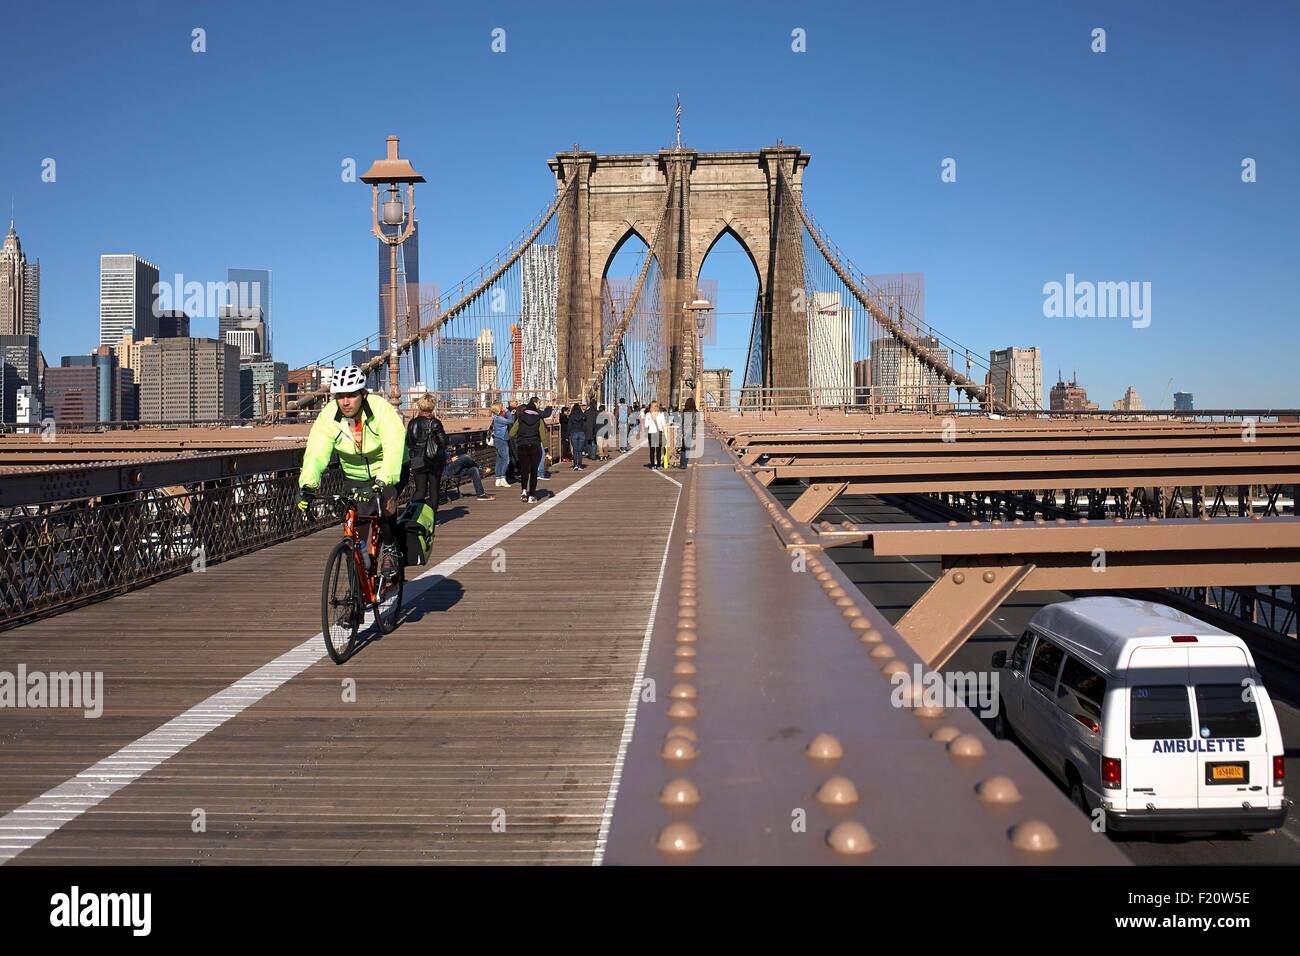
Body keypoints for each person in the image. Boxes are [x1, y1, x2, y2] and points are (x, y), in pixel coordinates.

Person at [297, 365, 409, 549]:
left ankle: (390, 549)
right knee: (358, 526)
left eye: (351, 395)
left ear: (363, 394)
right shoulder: (329, 415)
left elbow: (394, 446)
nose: (345, 402)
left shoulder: (381, 409)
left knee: (386, 506)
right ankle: (357, 562)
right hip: (355, 475)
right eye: (340, 396)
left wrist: (383, 481)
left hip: (390, 470)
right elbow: (317, 450)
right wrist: (307, 484)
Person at [405, 394, 449, 503]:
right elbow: (444, 442)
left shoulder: (412, 423)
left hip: (417, 460)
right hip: (434, 460)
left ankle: (414, 514)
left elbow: (408, 442)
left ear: (420, 406)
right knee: (434, 491)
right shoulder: (435, 423)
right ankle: (432, 517)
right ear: (432, 407)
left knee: (420, 490)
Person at [509, 397, 547, 502]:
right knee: (534, 471)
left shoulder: (520, 418)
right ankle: (532, 495)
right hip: (535, 445)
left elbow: (511, 433)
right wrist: (546, 449)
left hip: (522, 446)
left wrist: (520, 437)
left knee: (524, 470)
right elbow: (542, 435)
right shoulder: (539, 418)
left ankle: (524, 492)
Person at [490, 402, 513, 488]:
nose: (503, 407)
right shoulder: (499, 418)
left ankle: (498, 478)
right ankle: (503, 478)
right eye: (501, 407)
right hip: (502, 439)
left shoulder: (495, 418)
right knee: (506, 459)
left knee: (499, 459)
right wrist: (507, 411)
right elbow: (511, 420)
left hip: (497, 439)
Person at [643, 400, 667, 469]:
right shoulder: (661, 414)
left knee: (652, 450)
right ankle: (658, 465)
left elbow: (646, 425)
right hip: (659, 433)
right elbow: (664, 424)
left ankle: (652, 465)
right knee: (659, 450)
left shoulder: (648, 414)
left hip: (651, 433)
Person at [678, 395, 697, 469]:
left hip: (685, 431)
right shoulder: (696, 412)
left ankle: (682, 464)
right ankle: (688, 464)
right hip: (692, 432)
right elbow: (697, 423)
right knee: (689, 449)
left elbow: (681, 422)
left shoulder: (684, 412)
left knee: (683, 448)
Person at [567, 402, 587, 470]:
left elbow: (569, 426)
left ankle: (575, 465)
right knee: (580, 450)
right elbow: (585, 423)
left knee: (575, 450)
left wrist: (567, 435)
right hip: (581, 433)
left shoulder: (571, 416)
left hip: (574, 433)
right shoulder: (582, 415)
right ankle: (580, 465)